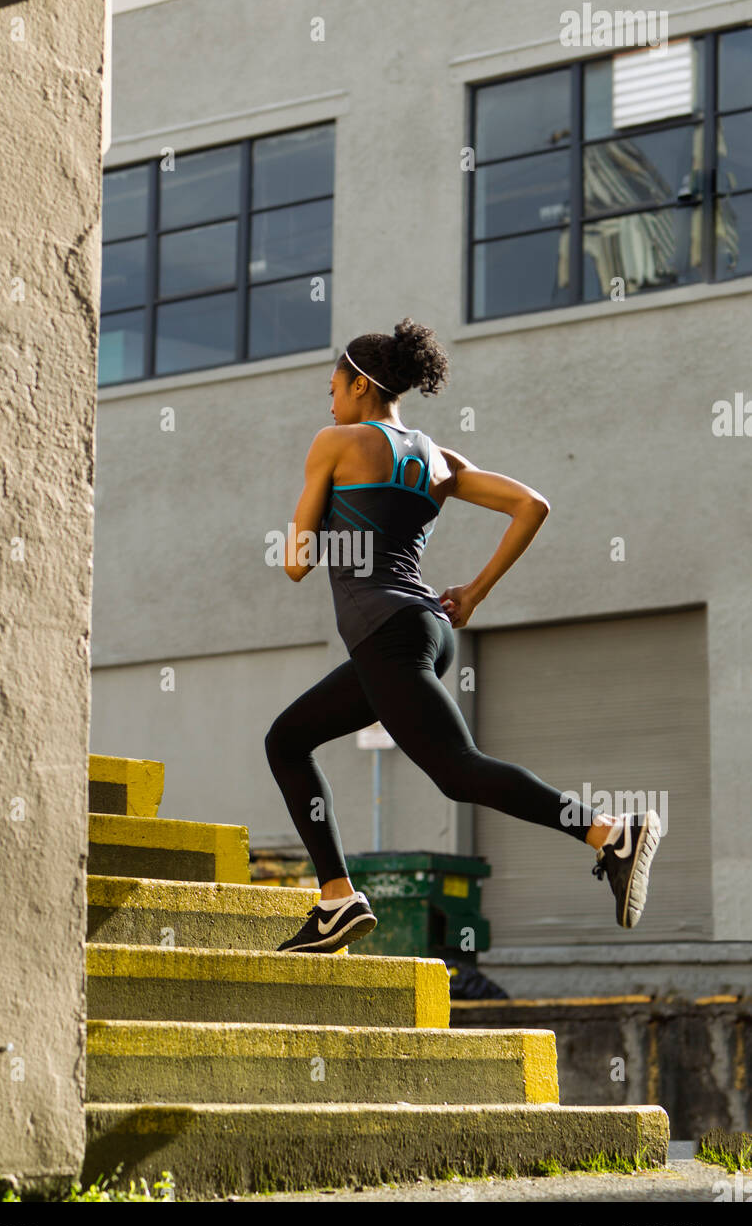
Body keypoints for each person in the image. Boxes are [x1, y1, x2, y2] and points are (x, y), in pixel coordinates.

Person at [264, 317, 661, 953]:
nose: (328, 398)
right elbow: (532, 504)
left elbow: (295, 561)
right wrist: (473, 593)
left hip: (385, 630)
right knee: (288, 739)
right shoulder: (439, 459)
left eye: (333, 385)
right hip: (426, 629)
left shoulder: (335, 441)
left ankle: (610, 832)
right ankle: (337, 900)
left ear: (361, 387)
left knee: (459, 771)